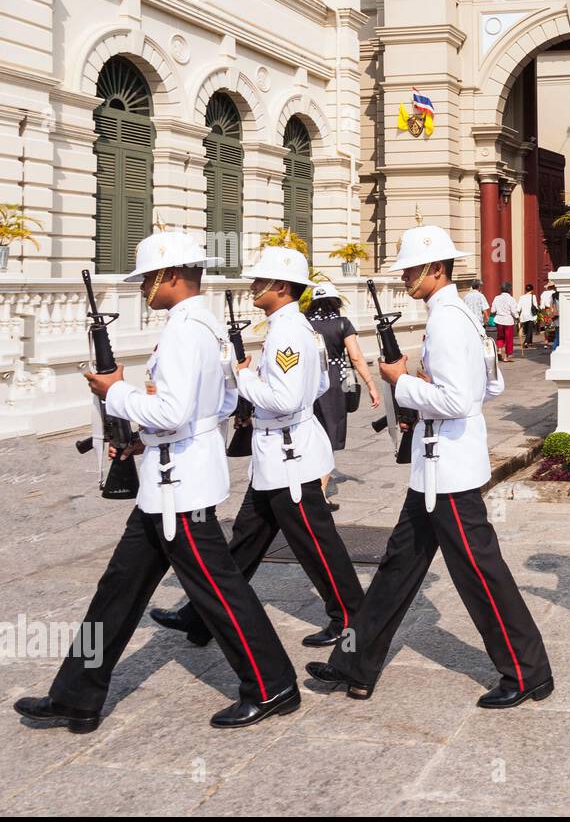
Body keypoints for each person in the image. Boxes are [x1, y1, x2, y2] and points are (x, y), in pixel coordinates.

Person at [14, 227, 299, 732]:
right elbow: (225, 403)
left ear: (170, 275)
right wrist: (149, 434)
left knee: (220, 592)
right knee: (117, 591)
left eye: (148, 277)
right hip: (168, 481)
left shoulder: (186, 332)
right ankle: (76, 695)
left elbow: (171, 409)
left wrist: (115, 392)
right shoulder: (203, 328)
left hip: (179, 488)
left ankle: (272, 684)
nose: (145, 286)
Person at [307, 217, 552, 709]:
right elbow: (492, 384)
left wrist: (401, 380)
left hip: (450, 471)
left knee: (481, 575)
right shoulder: (460, 314)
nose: (403, 278)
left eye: (410, 270)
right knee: (398, 569)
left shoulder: (445, 319)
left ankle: (527, 673)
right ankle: (354, 662)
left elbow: (460, 399)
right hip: (435, 467)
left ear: (435, 270)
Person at [148, 248, 366, 650]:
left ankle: (352, 619)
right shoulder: (293, 327)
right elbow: (315, 386)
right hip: (277, 455)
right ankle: (202, 617)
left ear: (280, 287)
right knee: (245, 542)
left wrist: (242, 377)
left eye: (259, 280)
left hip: (289, 459)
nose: (252, 286)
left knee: (317, 544)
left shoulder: (287, 331)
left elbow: (284, 399)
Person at [304, 281, 380, 509]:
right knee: (329, 434)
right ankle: (320, 493)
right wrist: (371, 384)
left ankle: (307, 484)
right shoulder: (342, 324)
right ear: (335, 302)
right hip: (334, 380)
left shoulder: (305, 324)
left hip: (308, 380)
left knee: (309, 432)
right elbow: (356, 357)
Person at [491, 281, 519, 362]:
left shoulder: (496, 298)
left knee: (500, 336)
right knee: (509, 338)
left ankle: (499, 349)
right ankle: (507, 355)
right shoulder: (511, 299)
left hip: (499, 320)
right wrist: (517, 317)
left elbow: (493, 310)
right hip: (508, 320)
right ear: (509, 289)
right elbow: (514, 311)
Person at [518, 283, 538, 349]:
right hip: (531, 315)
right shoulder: (533, 296)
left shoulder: (521, 297)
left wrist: (517, 314)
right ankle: (526, 342)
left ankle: (529, 342)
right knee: (530, 329)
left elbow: (519, 307)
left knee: (526, 329)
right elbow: (535, 306)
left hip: (523, 315)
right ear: (532, 290)